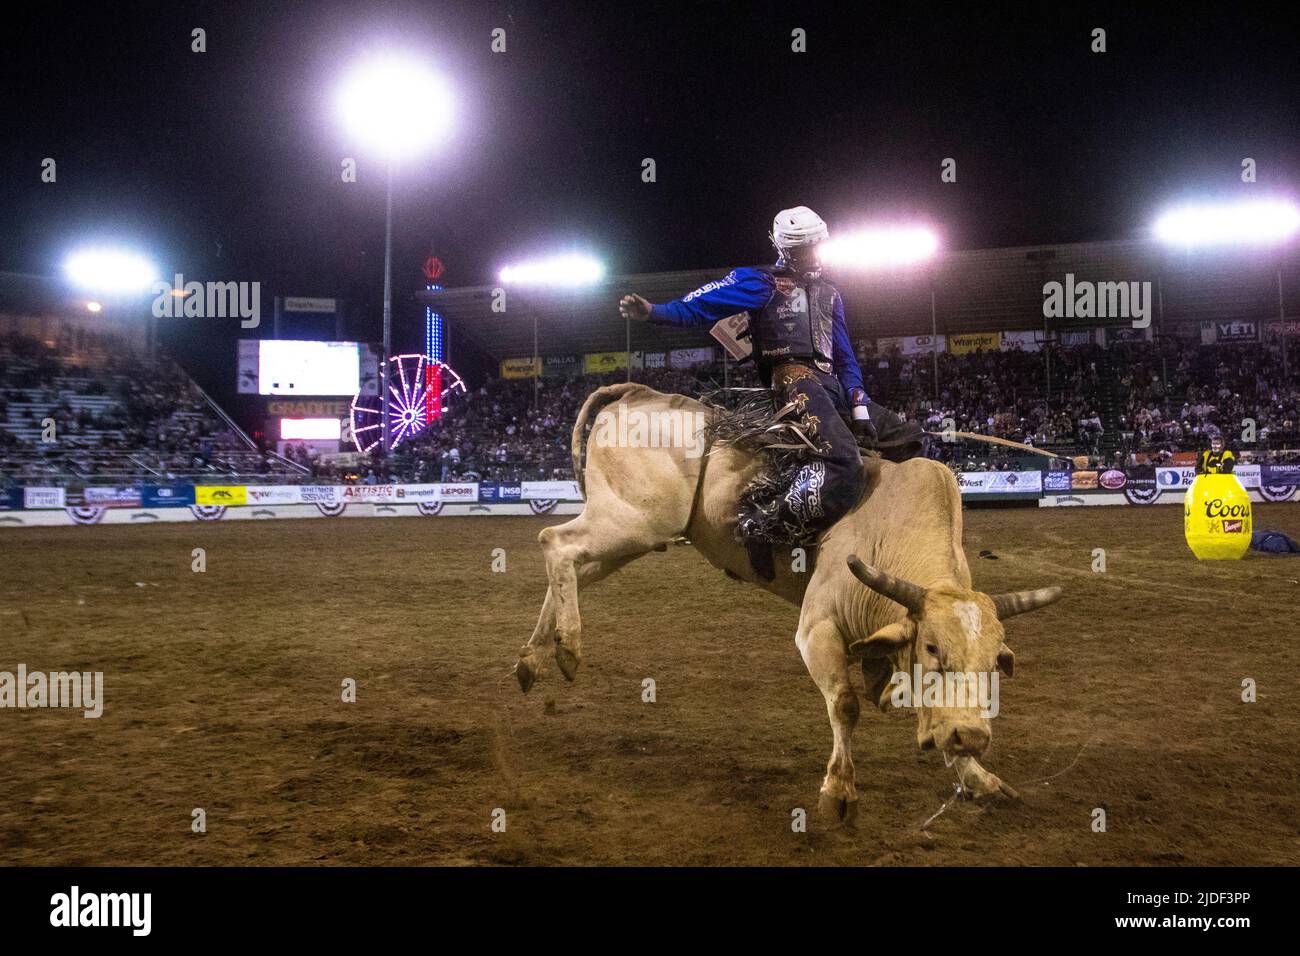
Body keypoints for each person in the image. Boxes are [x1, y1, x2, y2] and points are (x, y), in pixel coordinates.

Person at [619, 206, 920, 577]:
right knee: (844, 462)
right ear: (787, 251)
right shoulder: (761, 282)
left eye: (817, 247)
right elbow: (702, 305)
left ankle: (892, 529)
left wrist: (859, 405)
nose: (815, 255)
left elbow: (844, 355)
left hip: (835, 387)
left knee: (912, 439)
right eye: (807, 249)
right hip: (792, 381)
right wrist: (654, 311)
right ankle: (761, 524)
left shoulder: (830, 293)